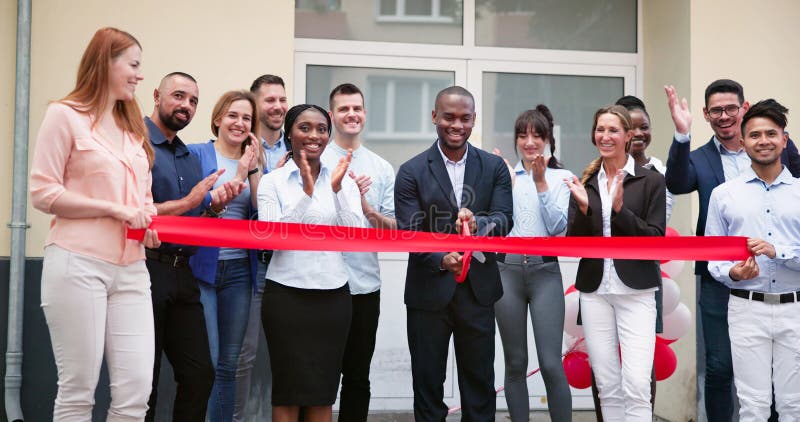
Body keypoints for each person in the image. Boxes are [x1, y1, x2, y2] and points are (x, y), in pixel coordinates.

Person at [29, 27, 160, 420]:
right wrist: (115, 209)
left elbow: (145, 200)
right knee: (77, 391)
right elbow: (42, 193)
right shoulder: (64, 116)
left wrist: (148, 224)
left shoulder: (134, 129)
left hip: (133, 270)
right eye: (133, 65)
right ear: (105, 62)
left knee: (137, 391)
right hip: (78, 265)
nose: (139, 75)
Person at [664, 80, 800, 421]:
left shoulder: (783, 159)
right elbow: (678, 183)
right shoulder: (714, 177)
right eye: (716, 110)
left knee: (788, 395)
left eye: (730, 109)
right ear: (707, 115)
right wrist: (682, 134)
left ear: (743, 109)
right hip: (729, 285)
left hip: (789, 291)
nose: (724, 116)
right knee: (722, 366)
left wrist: (777, 251)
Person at [394, 86, 513, 421]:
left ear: (474, 119)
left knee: (479, 386)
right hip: (427, 293)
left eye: (464, 118)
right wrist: (440, 258)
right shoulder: (411, 171)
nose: (456, 124)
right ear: (434, 116)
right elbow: (409, 231)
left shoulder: (494, 168)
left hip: (478, 292)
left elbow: (505, 218)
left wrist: (480, 223)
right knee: (428, 385)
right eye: (449, 116)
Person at [145, 72, 242, 421]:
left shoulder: (187, 155)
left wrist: (214, 207)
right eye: (179, 96)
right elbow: (131, 209)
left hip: (183, 273)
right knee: (144, 381)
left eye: (193, 101)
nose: (186, 105)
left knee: (201, 374)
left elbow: (196, 213)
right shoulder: (136, 142)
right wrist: (192, 200)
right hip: (144, 271)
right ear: (157, 96)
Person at [257, 104, 362, 422]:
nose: (314, 135)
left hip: (332, 297)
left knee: (322, 391)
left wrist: (338, 189)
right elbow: (272, 238)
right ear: (289, 133)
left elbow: (355, 236)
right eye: (305, 127)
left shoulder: (343, 179)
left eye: (321, 128)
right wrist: (306, 193)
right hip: (286, 297)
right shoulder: (272, 182)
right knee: (288, 391)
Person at [564, 105, 666, 421]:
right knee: (606, 384)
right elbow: (574, 244)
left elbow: (655, 240)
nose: (605, 136)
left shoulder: (651, 181)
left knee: (636, 383)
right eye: (600, 130)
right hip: (595, 291)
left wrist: (620, 212)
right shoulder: (587, 181)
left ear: (628, 136)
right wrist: (583, 209)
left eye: (613, 130)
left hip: (637, 292)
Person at [706, 99, 800, 421]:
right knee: (753, 406)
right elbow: (713, 258)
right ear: (743, 142)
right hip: (746, 308)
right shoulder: (724, 195)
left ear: (784, 140)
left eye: (771, 134)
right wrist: (732, 272)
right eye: (755, 135)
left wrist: (778, 251)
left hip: (796, 309)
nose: (764, 141)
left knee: (794, 406)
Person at [492, 106, 573, 421]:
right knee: (514, 363)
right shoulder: (504, 175)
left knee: (551, 363)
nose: (529, 142)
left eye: (537, 136)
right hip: (506, 273)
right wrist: (503, 183)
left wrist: (541, 183)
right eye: (523, 135)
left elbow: (558, 229)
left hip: (545, 273)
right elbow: (497, 224)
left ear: (548, 139)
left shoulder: (562, 178)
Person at [320, 83, 396, 421]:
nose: (351, 114)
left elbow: (391, 231)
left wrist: (367, 207)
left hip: (365, 286)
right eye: (343, 109)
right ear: (332, 115)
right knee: (321, 375)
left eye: (357, 108)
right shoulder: (315, 159)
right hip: (320, 284)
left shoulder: (381, 167)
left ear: (364, 114)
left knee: (357, 375)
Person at [188, 90, 263, 422]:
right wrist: (236, 175)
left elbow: (263, 214)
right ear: (218, 118)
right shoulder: (195, 154)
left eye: (247, 118)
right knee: (209, 358)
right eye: (233, 115)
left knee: (230, 363)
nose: (239, 123)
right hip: (201, 269)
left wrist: (253, 171)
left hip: (239, 272)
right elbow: (191, 205)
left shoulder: (254, 163)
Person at [233, 74, 289, 422]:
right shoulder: (237, 148)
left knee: (291, 354)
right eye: (270, 100)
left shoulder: (299, 148)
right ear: (255, 106)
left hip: (289, 262)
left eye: (282, 99)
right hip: (249, 265)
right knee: (243, 355)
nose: (278, 106)